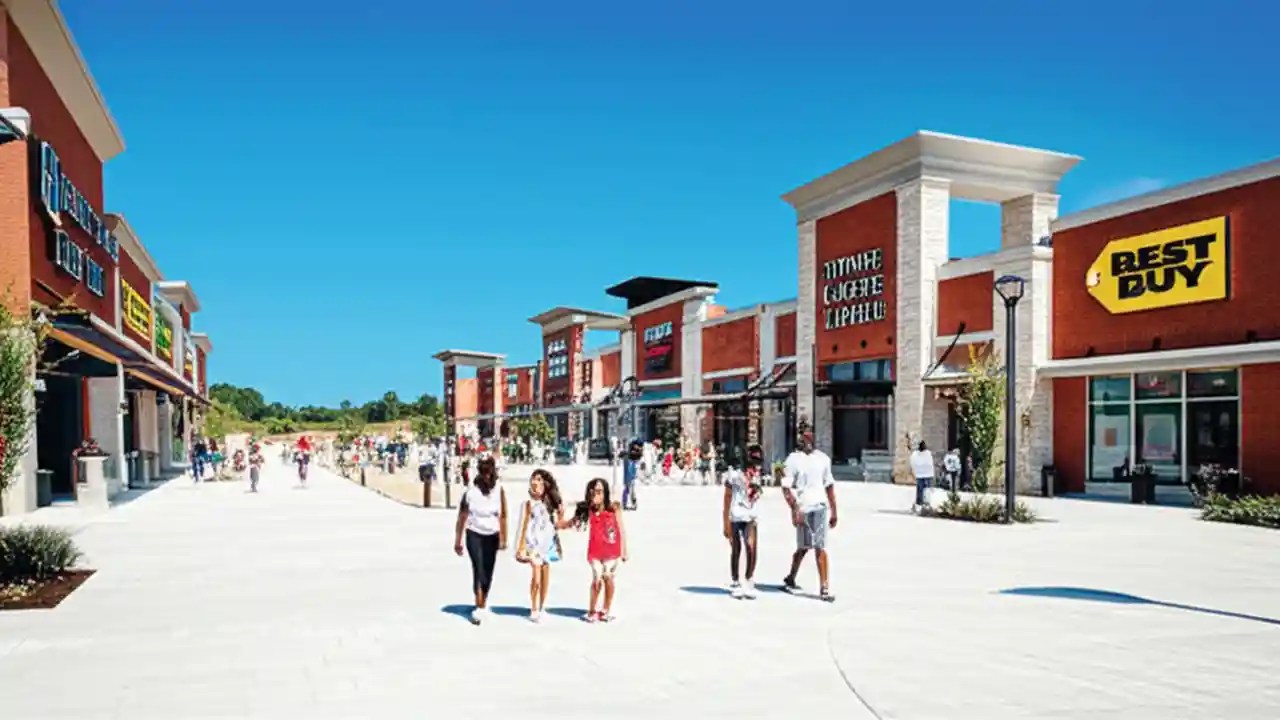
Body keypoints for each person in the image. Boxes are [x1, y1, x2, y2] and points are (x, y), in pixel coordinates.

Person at [780, 430, 837, 602]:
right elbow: (786, 487)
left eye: (811, 436)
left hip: (819, 506)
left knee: (820, 546)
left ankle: (824, 587)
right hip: (803, 507)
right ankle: (791, 576)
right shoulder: (792, 460)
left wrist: (834, 510)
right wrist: (793, 508)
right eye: (805, 437)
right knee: (804, 547)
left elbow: (829, 485)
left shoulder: (823, 459)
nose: (809, 440)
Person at [453, 456, 507, 625]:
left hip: (492, 534)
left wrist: (504, 537)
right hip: (474, 533)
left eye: (490, 473)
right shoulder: (470, 491)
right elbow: (462, 516)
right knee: (478, 567)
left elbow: (503, 514)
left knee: (488, 571)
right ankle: (479, 605)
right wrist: (458, 540)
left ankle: (483, 598)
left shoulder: (499, 490)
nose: (487, 476)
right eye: (484, 472)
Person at [568, 478, 628, 623]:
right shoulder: (588, 509)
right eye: (593, 491)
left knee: (608, 577)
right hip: (595, 551)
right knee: (597, 578)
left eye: (599, 491)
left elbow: (621, 529)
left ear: (605, 493)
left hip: (612, 551)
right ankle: (592, 610)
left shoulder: (614, 508)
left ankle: (606, 610)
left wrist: (624, 551)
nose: (596, 494)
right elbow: (573, 522)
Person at [515, 469, 564, 622]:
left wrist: (563, 514)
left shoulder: (550, 504)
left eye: (539, 480)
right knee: (536, 576)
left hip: (547, 543)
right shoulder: (528, 504)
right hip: (533, 544)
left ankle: (542, 606)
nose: (535, 483)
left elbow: (557, 524)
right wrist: (520, 546)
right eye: (533, 479)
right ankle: (534, 607)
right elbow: (522, 525)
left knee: (545, 575)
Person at [723, 443, 764, 598]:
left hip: (751, 516)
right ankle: (735, 580)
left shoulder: (758, 475)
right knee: (736, 548)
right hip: (735, 514)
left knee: (751, 546)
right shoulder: (734, 474)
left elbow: (757, 493)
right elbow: (727, 497)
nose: (756, 466)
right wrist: (725, 521)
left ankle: (749, 578)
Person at [910, 441, 936, 511]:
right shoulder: (927, 453)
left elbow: (912, 463)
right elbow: (931, 464)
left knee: (921, 490)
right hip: (926, 474)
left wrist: (914, 472)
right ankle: (924, 503)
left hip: (921, 474)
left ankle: (920, 504)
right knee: (925, 490)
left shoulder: (916, 454)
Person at [622, 440, 641, 511]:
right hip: (629, 477)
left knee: (628, 490)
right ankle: (630, 504)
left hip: (629, 476)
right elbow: (629, 468)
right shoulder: (629, 457)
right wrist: (632, 477)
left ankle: (627, 504)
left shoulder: (629, 457)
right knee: (629, 490)